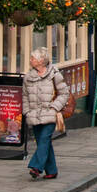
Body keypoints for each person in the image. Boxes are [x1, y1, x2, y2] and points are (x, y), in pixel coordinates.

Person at [22, 47, 68, 180]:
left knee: (44, 139)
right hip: (34, 115)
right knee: (43, 142)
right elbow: (24, 96)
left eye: (33, 58)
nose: (30, 60)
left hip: (50, 114)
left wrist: (54, 108)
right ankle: (52, 171)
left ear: (41, 61)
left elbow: (64, 93)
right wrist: (26, 112)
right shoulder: (28, 77)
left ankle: (36, 167)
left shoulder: (54, 74)